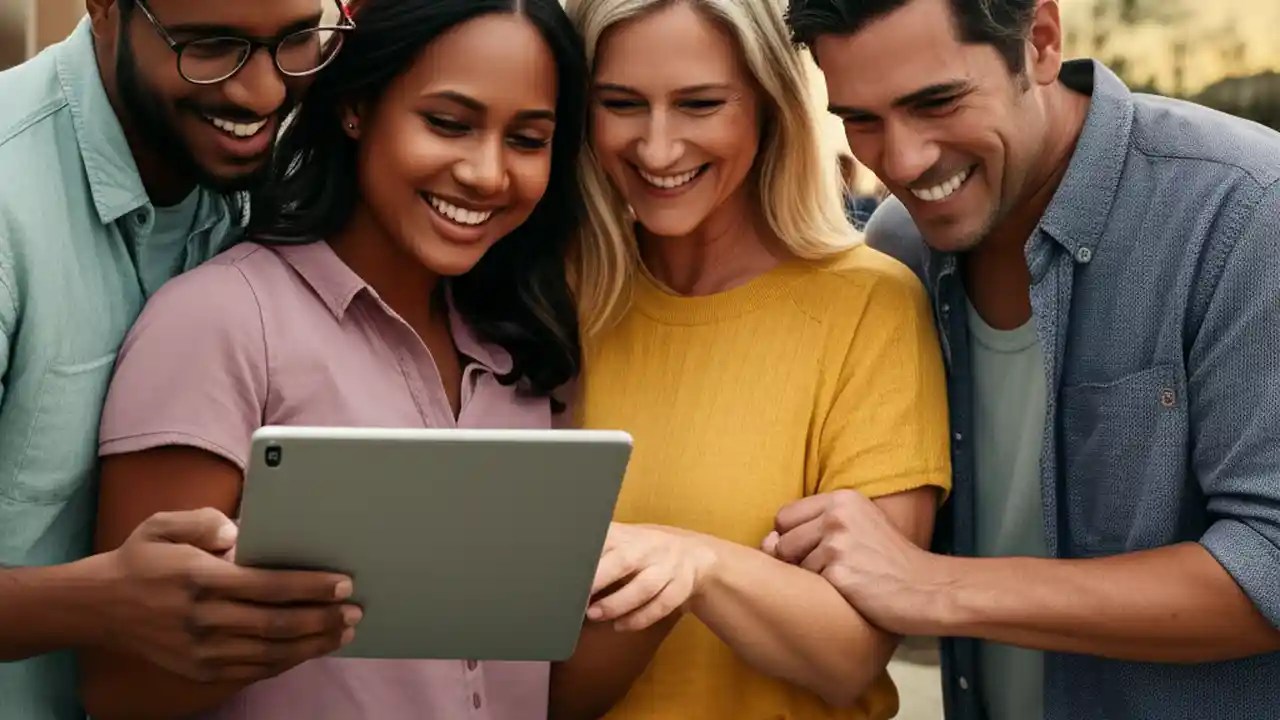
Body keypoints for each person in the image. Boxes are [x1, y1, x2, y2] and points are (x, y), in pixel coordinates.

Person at [80, 0, 589, 716]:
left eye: (528, 139)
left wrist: (689, 569)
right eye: (447, 123)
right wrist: (300, 617)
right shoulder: (219, 322)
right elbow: (120, 686)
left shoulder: (527, 347)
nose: (485, 173)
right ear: (355, 106)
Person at [777, 0, 1280, 718]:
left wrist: (934, 586)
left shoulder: (1247, 212)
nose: (903, 160)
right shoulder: (899, 248)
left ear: (1040, 41)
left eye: (939, 101)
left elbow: (1271, 562)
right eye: (861, 119)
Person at [551, 1, 951, 718]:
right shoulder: (554, 297)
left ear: (768, 106)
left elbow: (851, 652)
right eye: (621, 104)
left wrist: (694, 562)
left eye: (700, 105)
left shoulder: (868, 306)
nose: (658, 148)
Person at [0, 1, 362, 718]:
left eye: (295, 39)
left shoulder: (276, 164)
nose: (262, 93)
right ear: (103, 7)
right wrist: (99, 603)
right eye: (212, 45)